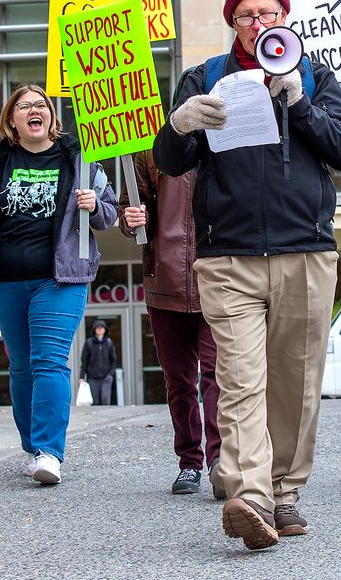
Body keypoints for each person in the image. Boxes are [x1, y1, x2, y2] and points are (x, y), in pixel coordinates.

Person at [152, 0, 341, 550]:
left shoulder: (315, 74)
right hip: (228, 257)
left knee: (295, 382)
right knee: (240, 380)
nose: (259, 23)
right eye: (247, 15)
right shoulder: (204, 78)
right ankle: (251, 496)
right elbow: (169, 162)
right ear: (233, 23)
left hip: (304, 252)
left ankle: (285, 492)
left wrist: (302, 105)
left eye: (269, 13)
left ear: (285, 19)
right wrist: (179, 124)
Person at [0, 84, 119, 486]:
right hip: (6, 280)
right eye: (24, 106)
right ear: (12, 120)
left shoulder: (80, 158)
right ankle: (32, 446)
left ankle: (50, 452)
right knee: (21, 366)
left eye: (41, 105)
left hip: (60, 279)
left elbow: (110, 214)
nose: (34, 110)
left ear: (51, 116)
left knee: (49, 360)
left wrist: (94, 205)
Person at [119, 149, 221, 496]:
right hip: (164, 281)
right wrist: (131, 218)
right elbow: (131, 207)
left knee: (218, 375)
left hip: (217, 279)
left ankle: (220, 460)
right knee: (179, 381)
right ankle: (189, 462)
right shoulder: (149, 148)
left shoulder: (223, 139)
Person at [78, 319, 117, 405]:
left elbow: (113, 360)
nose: (100, 329)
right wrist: (81, 376)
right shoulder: (89, 343)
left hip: (106, 376)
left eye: (102, 327)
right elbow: (84, 361)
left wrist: (111, 374)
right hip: (92, 377)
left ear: (105, 330)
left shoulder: (109, 343)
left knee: (105, 399)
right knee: (94, 402)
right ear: (94, 329)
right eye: (98, 327)